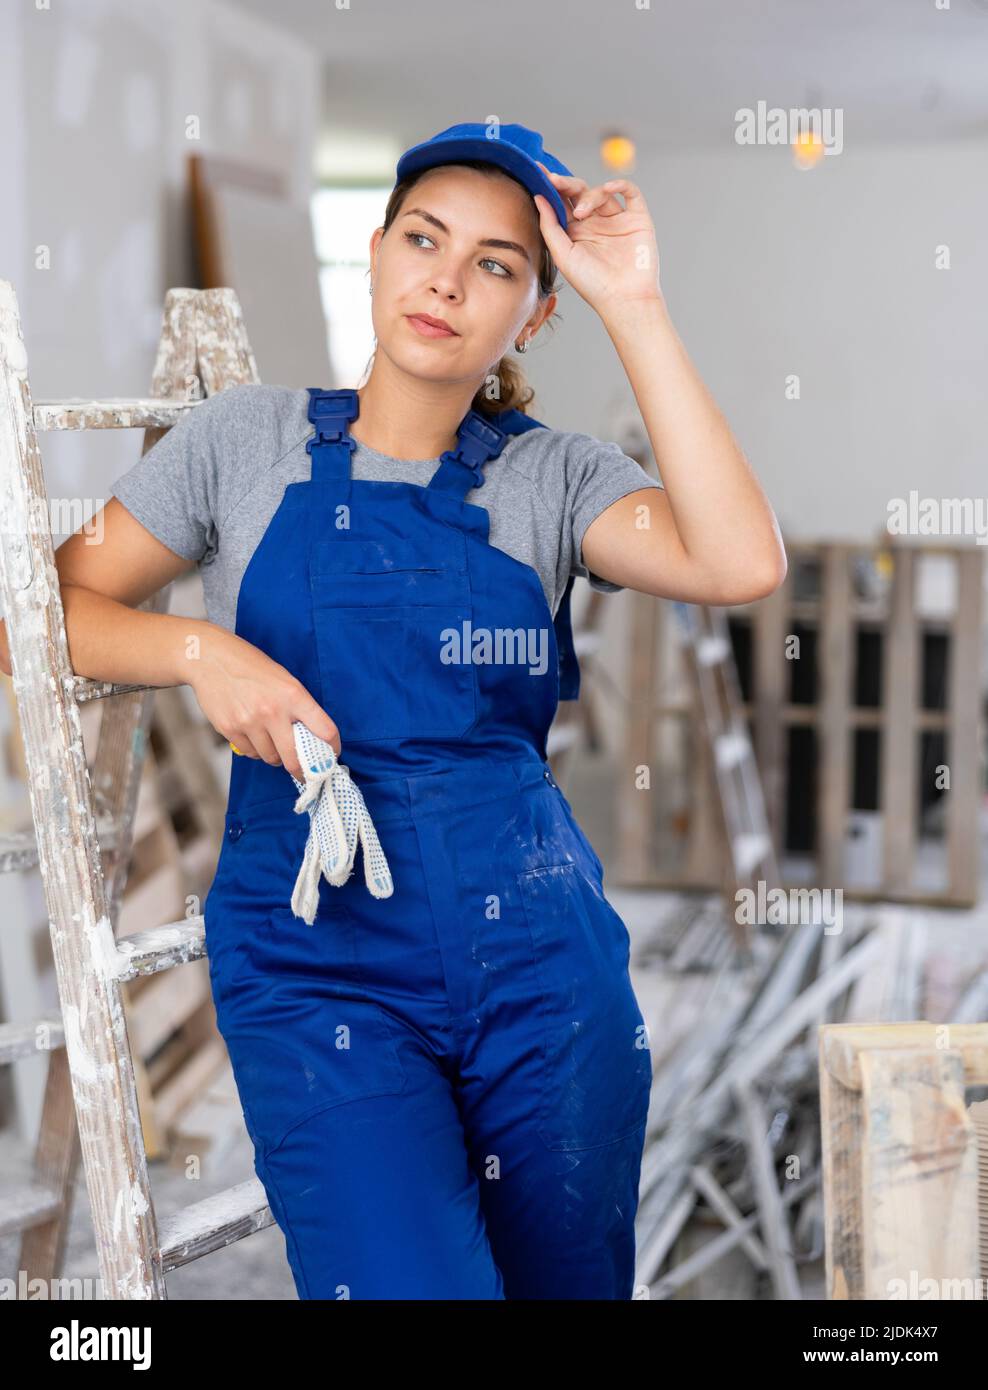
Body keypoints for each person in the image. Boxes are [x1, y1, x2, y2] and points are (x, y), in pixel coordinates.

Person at [50, 122, 786, 1300]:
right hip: (316, 965)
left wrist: (634, 302)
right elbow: (44, 612)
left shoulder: (556, 477)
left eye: (497, 264)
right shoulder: (242, 440)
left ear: (533, 314)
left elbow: (741, 560)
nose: (447, 278)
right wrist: (200, 650)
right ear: (379, 251)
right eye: (425, 239)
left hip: (539, 957)